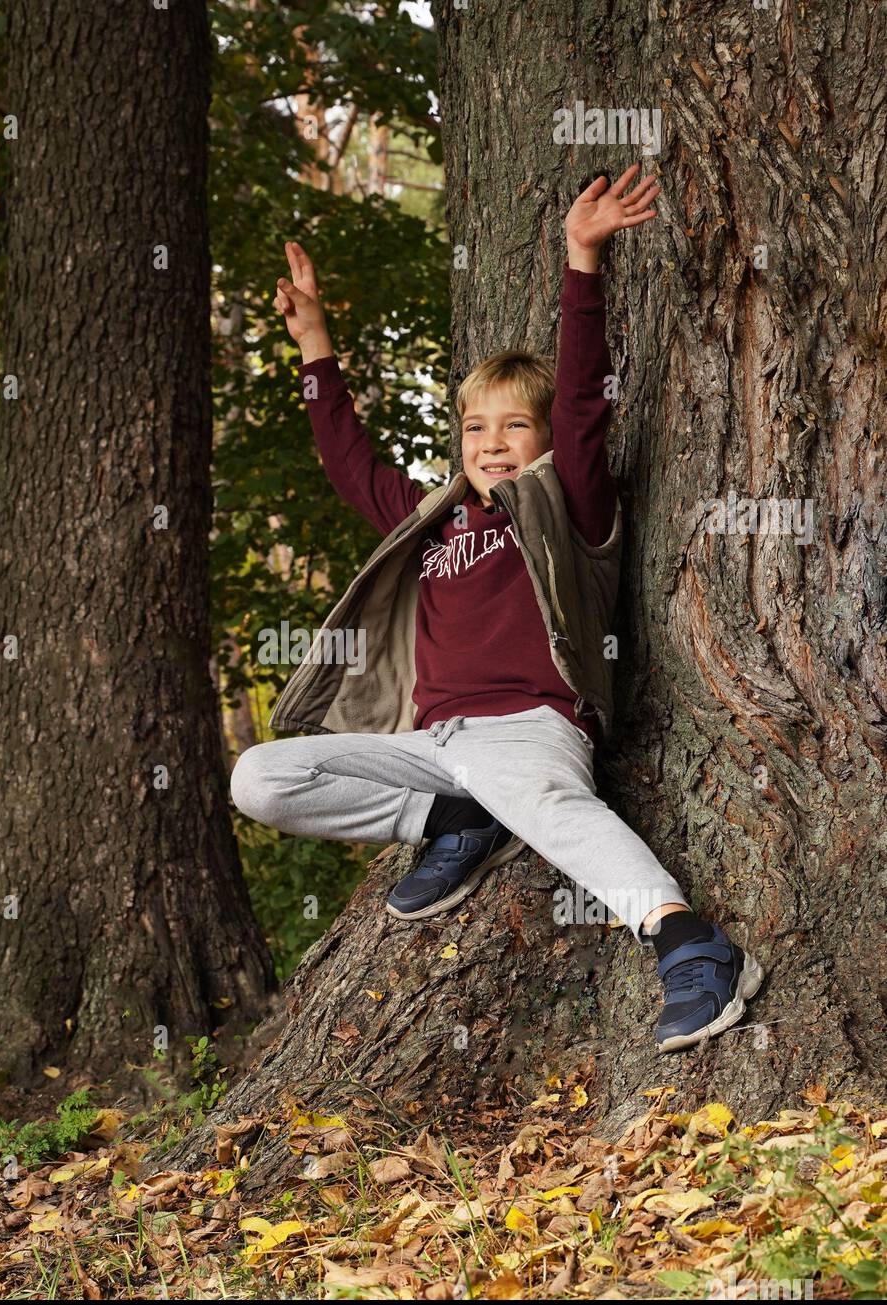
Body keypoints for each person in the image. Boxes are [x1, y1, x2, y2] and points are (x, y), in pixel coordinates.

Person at [231, 163, 763, 1053]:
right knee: (263, 776)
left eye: (513, 426)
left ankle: (687, 941)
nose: (492, 444)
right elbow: (348, 462)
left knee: (551, 809)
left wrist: (580, 258)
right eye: (475, 429)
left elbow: (581, 397)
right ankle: (463, 825)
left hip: (529, 725)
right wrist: (315, 340)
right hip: (435, 749)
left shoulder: (568, 504)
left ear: (542, 442)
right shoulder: (431, 521)